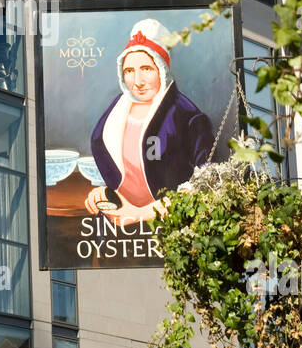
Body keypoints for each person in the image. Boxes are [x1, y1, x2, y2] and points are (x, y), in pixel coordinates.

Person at [85, 18, 213, 223]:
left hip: (170, 228)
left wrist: (142, 213)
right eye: (129, 71)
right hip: (121, 222)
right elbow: (118, 163)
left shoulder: (189, 117)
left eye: (146, 69)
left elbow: (208, 180)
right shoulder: (118, 110)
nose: (137, 81)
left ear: (162, 69)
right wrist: (106, 191)